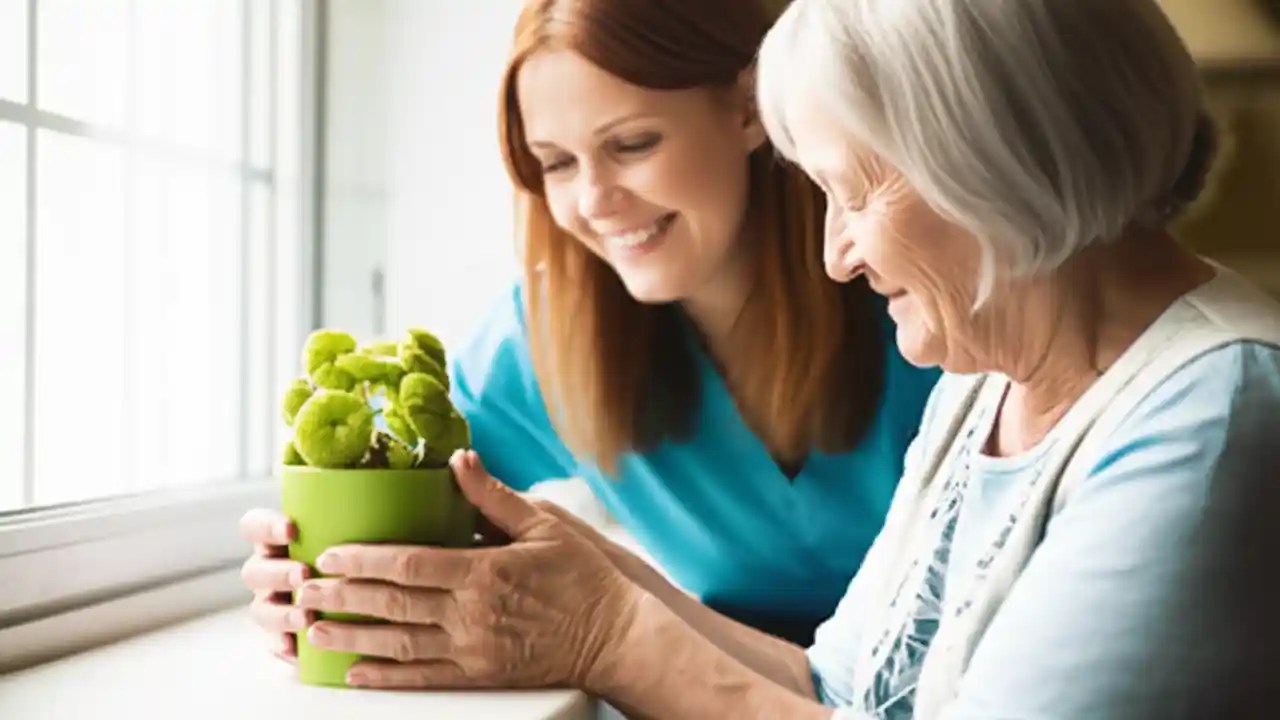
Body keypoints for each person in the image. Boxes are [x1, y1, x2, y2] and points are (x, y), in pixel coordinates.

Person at [250, 0, 1280, 717]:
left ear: (996, 160)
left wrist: (607, 638)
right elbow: (839, 691)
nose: (833, 253)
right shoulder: (983, 375)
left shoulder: (1213, 419)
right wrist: (590, 583)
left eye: (855, 192)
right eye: (556, 164)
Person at [238, 0, 939, 661]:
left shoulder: (921, 290)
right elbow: (412, 502)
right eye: (557, 163)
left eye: (632, 144)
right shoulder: (541, 343)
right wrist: (311, 568)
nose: (594, 202)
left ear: (751, 108)